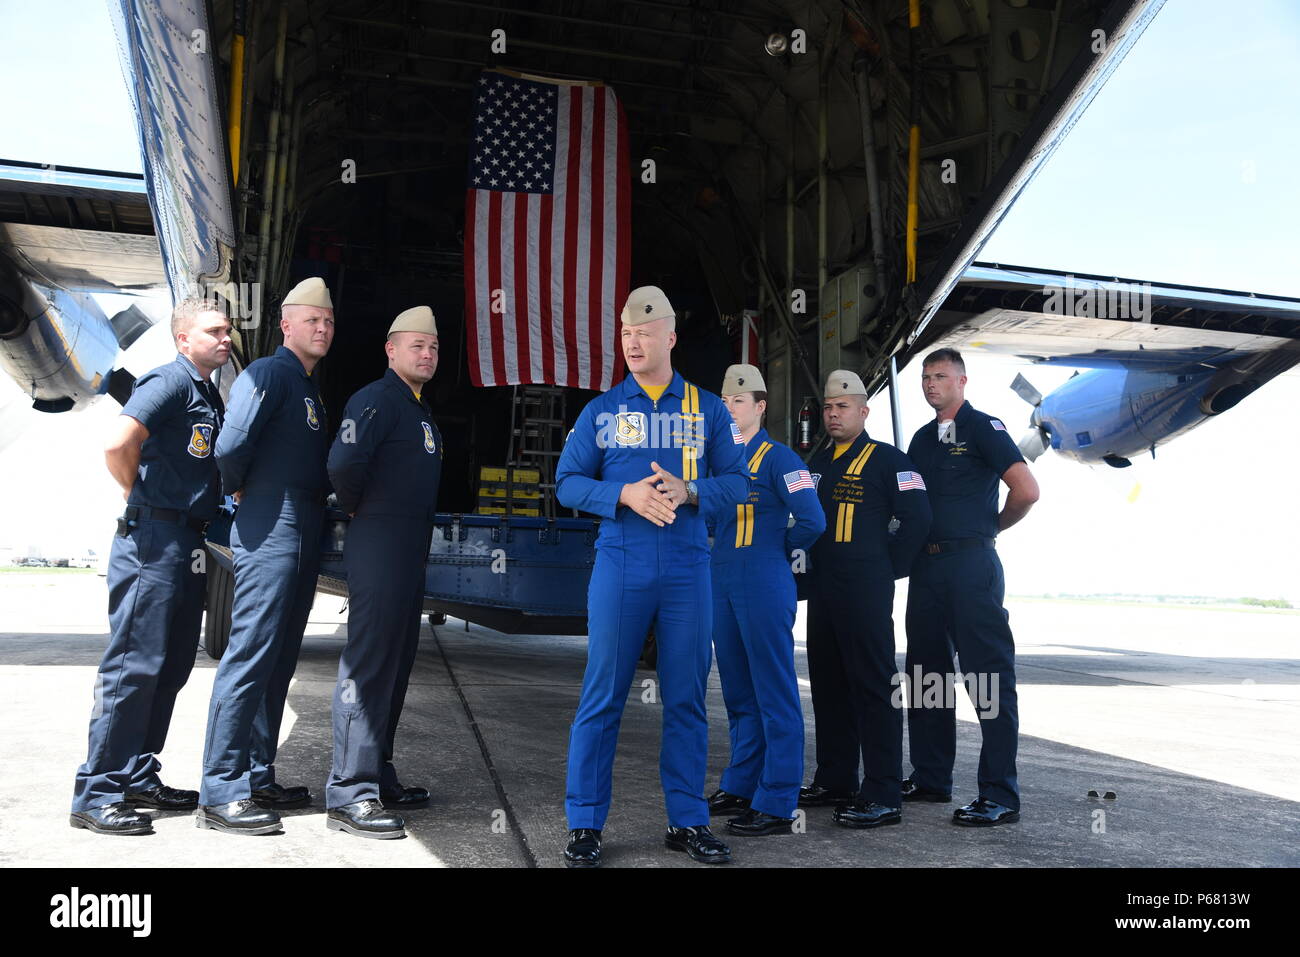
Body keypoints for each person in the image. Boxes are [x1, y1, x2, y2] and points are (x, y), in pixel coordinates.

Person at [555, 285, 749, 868]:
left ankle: (687, 820)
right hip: (621, 565)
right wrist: (624, 494)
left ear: (670, 336)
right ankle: (585, 824)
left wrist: (691, 491)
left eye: (644, 332)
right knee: (603, 694)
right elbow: (566, 482)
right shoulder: (603, 411)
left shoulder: (709, 409)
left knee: (687, 698)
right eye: (625, 334)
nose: (633, 341)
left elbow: (739, 484)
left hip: (689, 569)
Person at [70, 298, 232, 835]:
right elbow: (119, 442)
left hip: (187, 540)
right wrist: (135, 496)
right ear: (183, 339)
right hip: (154, 539)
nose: (226, 338)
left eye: (228, 330)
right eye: (213, 331)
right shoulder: (169, 380)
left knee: (172, 665)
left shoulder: (206, 391)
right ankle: (97, 792)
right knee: (134, 667)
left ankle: (138, 774)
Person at [196, 276, 335, 835]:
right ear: (286, 325)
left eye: (328, 323)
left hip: (303, 525)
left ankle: (256, 774)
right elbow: (231, 445)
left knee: (278, 659)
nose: (321, 329)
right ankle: (221, 790)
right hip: (270, 524)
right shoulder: (269, 373)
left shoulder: (306, 387)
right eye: (312, 321)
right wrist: (237, 487)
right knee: (251, 654)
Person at [903, 347, 1039, 826]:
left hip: (971, 567)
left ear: (962, 381)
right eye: (925, 377)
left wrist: (990, 530)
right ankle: (931, 778)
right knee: (926, 678)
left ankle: (1000, 795)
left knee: (987, 680)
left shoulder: (984, 428)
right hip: (927, 570)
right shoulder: (921, 440)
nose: (930, 384)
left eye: (940, 376)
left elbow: (1027, 490)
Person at [323, 306, 443, 839]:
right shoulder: (376, 399)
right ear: (391, 349)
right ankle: (350, 792)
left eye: (433, 348)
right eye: (417, 345)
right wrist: (357, 508)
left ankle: (378, 772)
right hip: (378, 542)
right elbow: (343, 464)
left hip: (407, 551)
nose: (427, 354)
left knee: (395, 666)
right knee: (369, 666)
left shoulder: (417, 409)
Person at [799, 370, 931, 829]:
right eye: (829, 409)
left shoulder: (890, 461)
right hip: (824, 592)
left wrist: (885, 569)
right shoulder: (817, 463)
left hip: (866, 592)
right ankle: (836, 778)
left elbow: (917, 521)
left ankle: (882, 791)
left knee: (875, 689)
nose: (833, 415)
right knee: (829, 685)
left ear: (863, 411)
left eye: (843, 407)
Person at [704, 364, 825, 836]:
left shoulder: (781, 459)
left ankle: (777, 800)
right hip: (722, 580)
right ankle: (741, 783)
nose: (731, 409)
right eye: (725, 402)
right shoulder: (717, 462)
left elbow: (811, 520)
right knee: (737, 690)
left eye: (740, 402)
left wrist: (775, 553)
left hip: (763, 581)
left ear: (759, 407)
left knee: (774, 692)